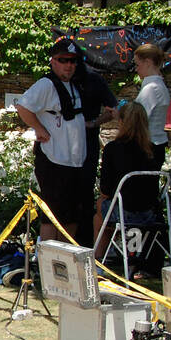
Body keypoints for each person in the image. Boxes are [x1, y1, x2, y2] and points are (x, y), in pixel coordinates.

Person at [15, 38, 87, 243]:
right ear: (53, 61)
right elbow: (23, 107)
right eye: (63, 60)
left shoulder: (73, 85)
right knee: (52, 214)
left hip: (74, 160)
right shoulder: (46, 84)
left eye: (73, 61)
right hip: (54, 158)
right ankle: (48, 260)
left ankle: (67, 258)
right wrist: (39, 128)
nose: (69, 65)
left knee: (72, 213)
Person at [94, 101, 163, 262]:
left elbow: (105, 188)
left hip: (125, 212)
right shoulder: (154, 150)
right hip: (150, 213)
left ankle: (99, 257)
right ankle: (132, 258)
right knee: (120, 208)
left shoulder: (113, 149)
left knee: (100, 208)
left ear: (121, 122)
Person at [75, 55, 118, 247]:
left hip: (86, 143)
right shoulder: (53, 80)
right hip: (59, 146)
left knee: (84, 193)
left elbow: (112, 109)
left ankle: (83, 242)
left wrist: (93, 123)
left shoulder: (94, 79)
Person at [133, 42, 171, 166]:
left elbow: (137, 119)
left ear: (148, 62)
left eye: (137, 64)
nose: (136, 68)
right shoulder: (158, 85)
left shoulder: (152, 88)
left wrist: (119, 114)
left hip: (149, 146)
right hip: (154, 145)